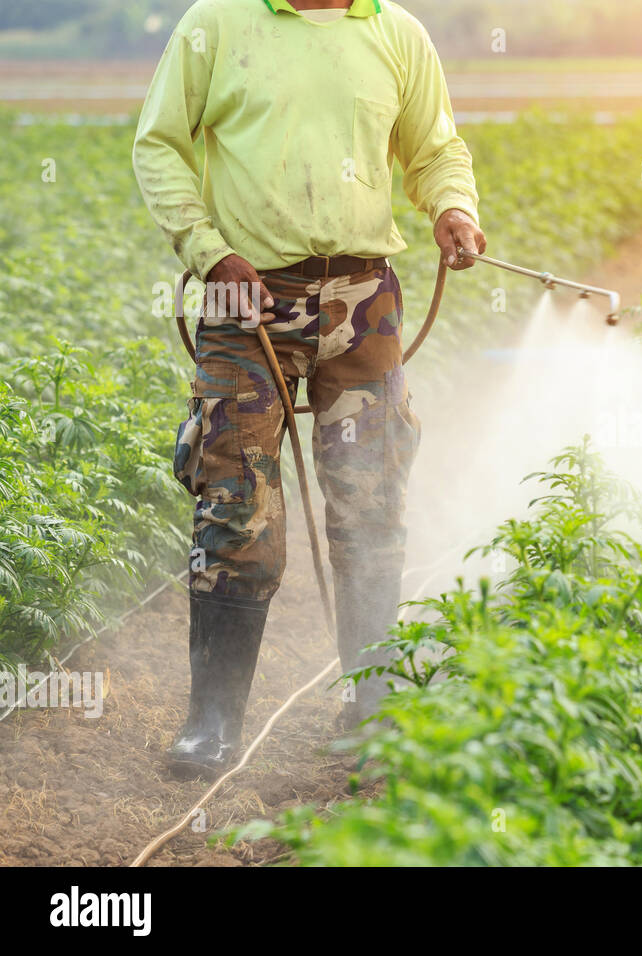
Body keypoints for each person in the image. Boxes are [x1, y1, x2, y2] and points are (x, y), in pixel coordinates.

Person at [132, 0, 486, 775]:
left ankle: (372, 711)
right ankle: (212, 723)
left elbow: (436, 149)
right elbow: (158, 146)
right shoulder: (215, 24)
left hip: (363, 304)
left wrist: (454, 209)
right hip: (240, 293)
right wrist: (208, 251)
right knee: (235, 508)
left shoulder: (396, 33)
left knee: (370, 502)